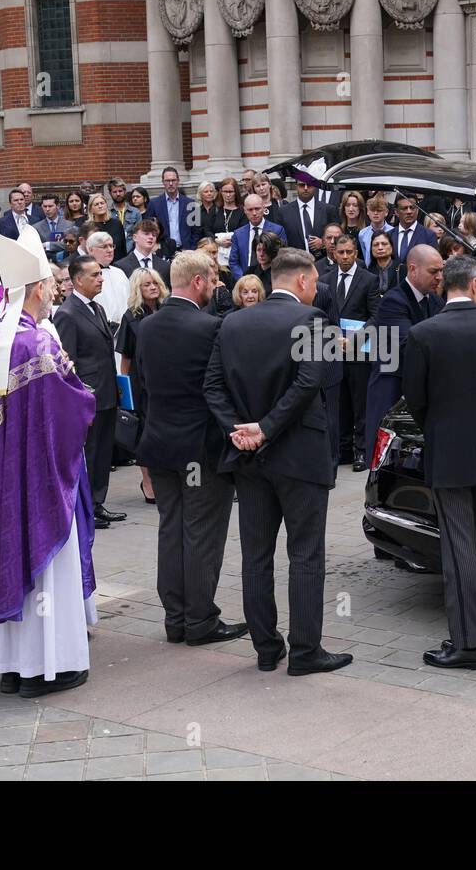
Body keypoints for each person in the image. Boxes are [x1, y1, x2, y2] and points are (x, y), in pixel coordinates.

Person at [0, 225, 97, 698]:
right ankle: (50, 666)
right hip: (38, 483)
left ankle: (12, 667)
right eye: (52, 285)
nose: (56, 291)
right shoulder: (38, 343)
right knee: (47, 570)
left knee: (4, 556)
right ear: (36, 288)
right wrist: (86, 396)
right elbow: (71, 410)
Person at [203, 248, 353, 676]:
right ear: (304, 281)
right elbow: (310, 381)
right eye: (315, 283)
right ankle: (305, 651)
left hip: (248, 457)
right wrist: (265, 427)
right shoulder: (313, 320)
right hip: (298, 453)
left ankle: (266, 648)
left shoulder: (232, 321)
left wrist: (238, 428)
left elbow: (211, 386)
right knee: (305, 553)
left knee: (256, 555)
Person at [404, 256, 476, 670]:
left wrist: (441, 427)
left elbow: (415, 399)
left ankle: (467, 644)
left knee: (459, 552)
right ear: (473, 284)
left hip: (448, 451)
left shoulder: (423, 333)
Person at [134, 251, 249, 646]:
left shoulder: (146, 327)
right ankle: (200, 620)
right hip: (199, 449)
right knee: (201, 532)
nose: (218, 285)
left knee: (171, 530)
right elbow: (224, 385)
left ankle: (176, 618)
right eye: (214, 278)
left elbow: (145, 385)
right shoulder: (211, 327)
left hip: (159, 444)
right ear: (198, 281)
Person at [54, 255, 125, 529]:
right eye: (94, 275)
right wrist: (79, 397)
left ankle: (98, 502)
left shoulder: (97, 308)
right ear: (77, 280)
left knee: (104, 450)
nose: (101, 278)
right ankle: (86, 507)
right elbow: (67, 361)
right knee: (91, 452)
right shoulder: (67, 313)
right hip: (88, 396)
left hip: (106, 392)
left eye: (100, 274)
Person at [364, 244, 444, 458]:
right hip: (391, 385)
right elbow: (409, 345)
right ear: (413, 269)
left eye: (441, 271)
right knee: (385, 455)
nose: (439, 277)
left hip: (418, 386)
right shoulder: (393, 300)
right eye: (433, 271)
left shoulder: (435, 300)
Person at [320, 234, 380, 471]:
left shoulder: (369, 280)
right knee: (339, 402)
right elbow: (321, 314)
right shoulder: (325, 280)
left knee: (360, 403)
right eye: (340, 252)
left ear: (356, 253)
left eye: (349, 252)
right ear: (333, 253)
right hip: (334, 350)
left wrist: (356, 338)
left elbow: (376, 316)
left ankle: (361, 451)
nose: (345, 257)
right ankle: (343, 449)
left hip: (360, 350)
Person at [118, 265, 169, 502]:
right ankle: (148, 483)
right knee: (144, 433)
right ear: (138, 288)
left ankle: (164, 478)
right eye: (147, 284)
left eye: (155, 283)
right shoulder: (131, 316)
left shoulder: (167, 310)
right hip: (141, 381)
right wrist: (125, 391)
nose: (152, 287)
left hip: (165, 380)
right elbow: (125, 358)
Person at [229, 192, 287, 278]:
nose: (254, 213)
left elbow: (282, 259)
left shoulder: (277, 230)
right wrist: (244, 279)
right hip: (245, 281)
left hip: (269, 280)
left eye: (257, 209)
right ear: (244, 210)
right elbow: (233, 262)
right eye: (250, 210)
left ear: (264, 208)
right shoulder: (238, 234)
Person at [145, 166, 199, 252]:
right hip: (162, 250)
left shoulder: (191, 203)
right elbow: (149, 228)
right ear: (163, 182)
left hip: (186, 250)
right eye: (167, 181)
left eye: (173, 180)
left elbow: (197, 230)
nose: (170, 183)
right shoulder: (154, 204)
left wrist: (191, 248)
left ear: (178, 181)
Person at [281, 178, 340, 254]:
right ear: (296, 186)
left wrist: (323, 243)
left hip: (322, 260)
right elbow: (281, 240)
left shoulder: (329, 210)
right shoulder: (284, 211)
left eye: (309, 185)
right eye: (302, 185)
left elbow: (338, 236)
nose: (305, 188)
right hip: (295, 261)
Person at [86, 230, 130, 330]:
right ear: (90, 250)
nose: (110, 250)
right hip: (102, 329)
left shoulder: (120, 273)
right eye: (104, 246)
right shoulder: (86, 275)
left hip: (125, 330)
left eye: (111, 246)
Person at [115, 217, 171, 286]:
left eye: (154, 235)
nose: (151, 237)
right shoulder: (121, 266)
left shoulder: (165, 266)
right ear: (135, 237)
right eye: (146, 234)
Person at [390, 195, 438, 266]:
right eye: (404, 208)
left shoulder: (429, 236)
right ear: (396, 212)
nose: (409, 212)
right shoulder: (389, 235)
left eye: (412, 208)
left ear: (417, 210)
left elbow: (431, 264)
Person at [87, 192, 127, 260]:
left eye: (102, 203)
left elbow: (123, 248)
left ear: (106, 205)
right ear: (91, 209)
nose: (100, 206)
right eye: (96, 204)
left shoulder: (117, 223)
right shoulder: (88, 227)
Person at [356, 193, 394, 262]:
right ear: (368, 211)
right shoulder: (362, 233)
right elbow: (365, 256)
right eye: (372, 210)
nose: (375, 213)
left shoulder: (393, 231)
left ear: (386, 212)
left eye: (379, 210)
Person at [367, 229, 401, 293]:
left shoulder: (402, 269)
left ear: (391, 246)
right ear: (371, 249)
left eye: (384, 244)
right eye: (376, 245)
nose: (380, 248)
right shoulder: (368, 272)